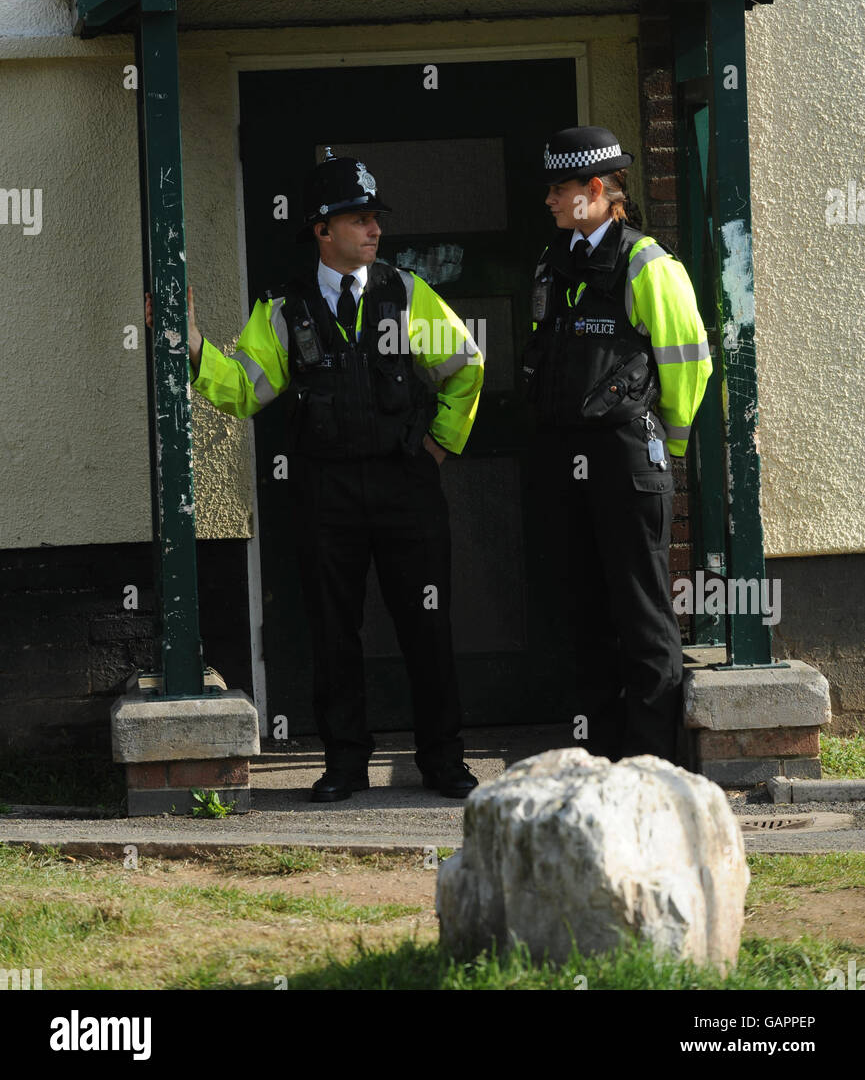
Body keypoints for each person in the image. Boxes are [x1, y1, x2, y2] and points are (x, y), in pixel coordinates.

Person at [147, 152, 483, 802]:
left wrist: (439, 446)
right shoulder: (284, 307)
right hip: (326, 493)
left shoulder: (405, 292)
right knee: (333, 631)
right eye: (358, 220)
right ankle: (345, 766)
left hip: (403, 488)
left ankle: (444, 762)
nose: (374, 230)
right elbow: (244, 389)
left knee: (427, 627)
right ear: (321, 231)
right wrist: (190, 346)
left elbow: (465, 365)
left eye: (374, 218)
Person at [523, 125, 712, 764]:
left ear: (597, 189)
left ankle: (652, 762)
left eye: (560, 187)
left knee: (643, 617)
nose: (549, 199)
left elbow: (688, 361)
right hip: (565, 460)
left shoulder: (647, 263)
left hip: (627, 457)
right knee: (583, 615)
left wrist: (673, 445)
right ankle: (598, 758)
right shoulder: (554, 260)